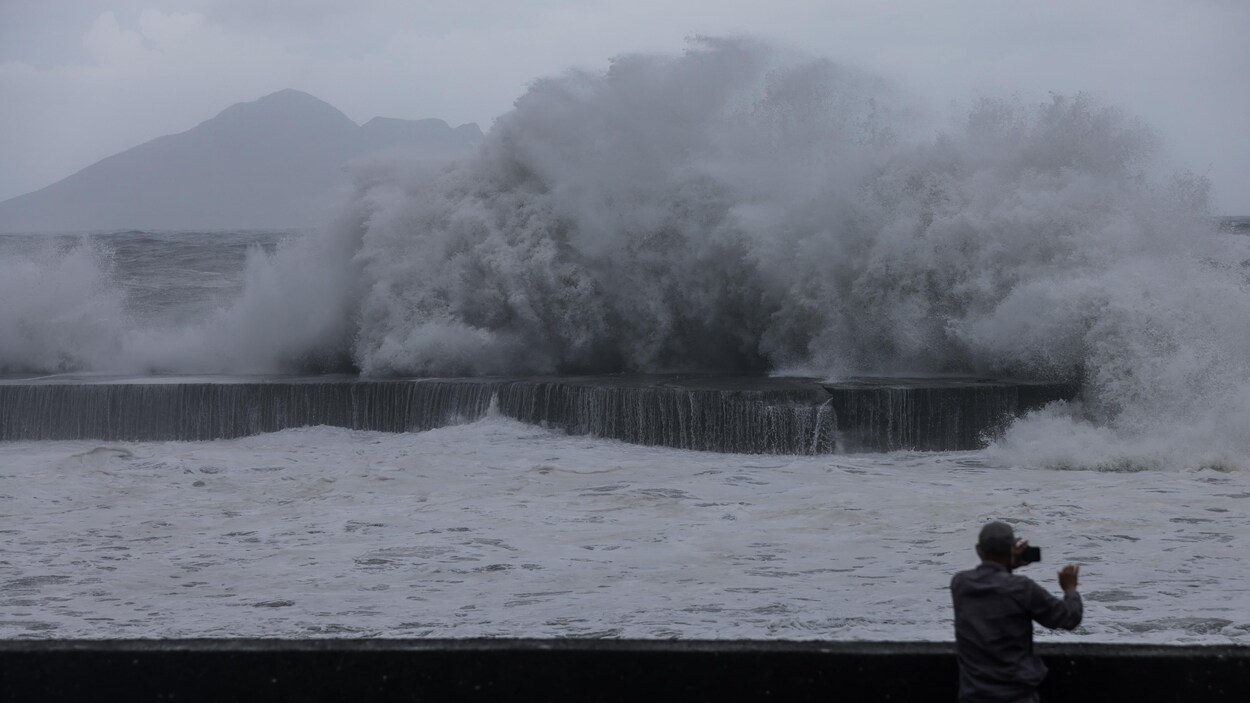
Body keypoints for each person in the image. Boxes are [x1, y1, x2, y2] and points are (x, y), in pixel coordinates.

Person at [950, 521, 1082, 703]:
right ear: (1012, 549)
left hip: (974, 696)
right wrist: (1070, 589)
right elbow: (1069, 617)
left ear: (978, 550)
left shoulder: (960, 584)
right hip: (1016, 696)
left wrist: (1008, 566)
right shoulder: (1023, 589)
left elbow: (995, 585)